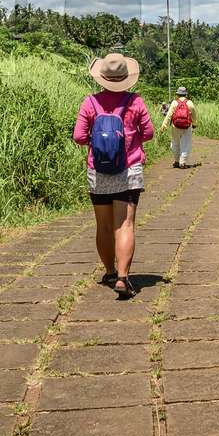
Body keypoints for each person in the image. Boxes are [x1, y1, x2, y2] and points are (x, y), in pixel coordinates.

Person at [72, 53, 155, 298]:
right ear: (126, 78)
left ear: (102, 77)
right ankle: (122, 277)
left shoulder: (90, 102)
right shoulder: (135, 101)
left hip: (98, 171)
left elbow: (78, 136)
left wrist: (97, 143)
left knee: (104, 226)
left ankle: (109, 271)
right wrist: (132, 138)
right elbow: (149, 133)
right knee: (125, 224)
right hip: (129, 169)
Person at [161, 86, 197, 167]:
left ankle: (177, 161)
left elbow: (169, 115)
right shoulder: (190, 103)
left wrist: (164, 125)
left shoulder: (174, 103)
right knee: (186, 143)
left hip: (175, 126)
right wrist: (194, 124)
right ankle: (182, 161)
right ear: (186, 94)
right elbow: (194, 115)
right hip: (187, 127)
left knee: (175, 143)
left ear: (178, 94)